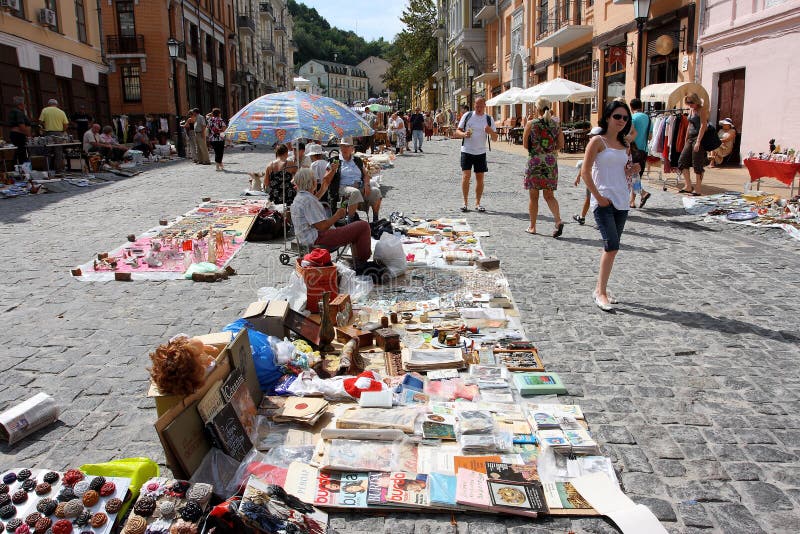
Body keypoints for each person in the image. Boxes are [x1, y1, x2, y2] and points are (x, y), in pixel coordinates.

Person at [581, 100, 639, 312]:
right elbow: (585, 172)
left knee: (612, 248)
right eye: (617, 116)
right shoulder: (597, 141)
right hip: (604, 201)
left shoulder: (625, 144)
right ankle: (601, 292)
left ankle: (599, 288)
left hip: (622, 200)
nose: (621, 121)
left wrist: (632, 169)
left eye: (625, 118)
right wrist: (598, 197)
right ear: (607, 117)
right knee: (612, 245)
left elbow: (622, 172)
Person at [290, 168, 373, 272]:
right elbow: (322, 226)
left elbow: (317, 196)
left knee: (355, 228)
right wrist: (337, 215)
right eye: (315, 180)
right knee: (363, 226)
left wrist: (327, 180)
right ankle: (362, 261)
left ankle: (358, 260)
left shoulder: (300, 197)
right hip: (318, 238)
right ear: (311, 182)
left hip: (307, 238)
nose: (317, 181)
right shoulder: (308, 200)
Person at [522, 97, 565, 237]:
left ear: (537, 109)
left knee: (534, 197)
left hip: (535, 161)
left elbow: (525, 145)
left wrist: (536, 150)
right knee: (549, 195)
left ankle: (532, 226)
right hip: (550, 162)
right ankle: (558, 221)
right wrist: (550, 150)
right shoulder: (555, 124)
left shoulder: (531, 123)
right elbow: (561, 145)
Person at [455, 97, 498, 212]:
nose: (478, 108)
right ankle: (464, 202)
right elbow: (457, 131)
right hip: (467, 150)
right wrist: (464, 134)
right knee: (466, 176)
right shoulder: (468, 116)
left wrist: (490, 132)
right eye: (477, 106)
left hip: (480, 152)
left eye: (481, 106)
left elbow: (495, 139)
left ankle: (478, 203)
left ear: (485, 105)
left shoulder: (489, 119)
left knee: (480, 179)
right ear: (474, 105)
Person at [332, 137, 382, 222]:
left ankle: (375, 220)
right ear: (340, 148)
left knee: (376, 191)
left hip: (360, 186)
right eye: (343, 146)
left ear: (352, 148)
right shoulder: (335, 160)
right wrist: (333, 170)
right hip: (343, 187)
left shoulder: (357, 160)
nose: (345, 149)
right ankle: (350, 222)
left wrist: (367, 184)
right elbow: (328, 177)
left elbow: (366, 175)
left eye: (347, 146)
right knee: (355, 192)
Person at [677, 92, 709, 196]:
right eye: (687, 102)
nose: (689, 104)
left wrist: (698, 141)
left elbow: (703, 125)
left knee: (697, 163)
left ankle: (698, 188)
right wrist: (686, 139)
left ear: (696, 101)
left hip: (698, 138)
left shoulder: (701, 110)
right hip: (690, 138)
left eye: (691, 102)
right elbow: (689, 125)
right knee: (682, 161)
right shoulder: (691, 110)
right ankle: (688, 186)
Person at [572, 127, 603, 225]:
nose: (590, 138)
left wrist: (578, 176)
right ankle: (582, 217)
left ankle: (596, 220)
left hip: (593, 177)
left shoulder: (593, 147)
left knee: (591, 199)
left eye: (591, 136)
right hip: (599, 177)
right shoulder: (605, 147)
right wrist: (578, 176)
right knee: (591, 198)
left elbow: (586, 164)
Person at [628, 98, 652, 208]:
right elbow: (650, 136)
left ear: (631, 107)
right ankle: (632, 201)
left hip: (633, 149)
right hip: (644, 150)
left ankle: (642, 193)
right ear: (641, 106)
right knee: (637, 175)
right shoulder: (648, 118)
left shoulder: (632, 118)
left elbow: (629, 134)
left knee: (633, 174)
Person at [8, 96, 31, 166]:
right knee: (21, 153)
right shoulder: (18, 112)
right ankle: (21, 169)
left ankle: (16, 168)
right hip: (19, 134)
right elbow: (21, 124)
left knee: (18, 152)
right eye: (24, 103)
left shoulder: (13, 111)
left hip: (15, 134)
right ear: (20, 104)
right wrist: (28, 134)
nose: (25, 105)